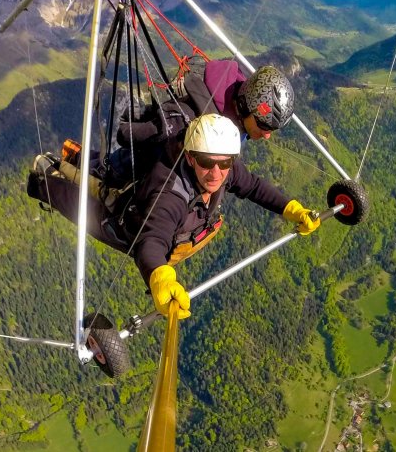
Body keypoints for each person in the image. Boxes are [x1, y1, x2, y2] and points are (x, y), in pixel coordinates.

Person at [28, 113, 321, 319]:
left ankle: (74, 160)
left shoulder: (222, 164)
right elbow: (151, 242)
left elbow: (254, 187)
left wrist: (292, 209)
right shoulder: (170, 194)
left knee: (100, 185)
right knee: (82, 202)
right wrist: (161, 278)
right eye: (206, 163)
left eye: (225, 164)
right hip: (127, 226)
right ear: (191, 157)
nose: (216, 173)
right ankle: (45, 176)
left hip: (169, 224)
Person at [118, 60, 294, 146]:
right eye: (264, 126)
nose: (267, 135)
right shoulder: (191, 120)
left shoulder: (238, 122)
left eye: (272, 129)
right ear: (244, 106)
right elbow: (125, 135)